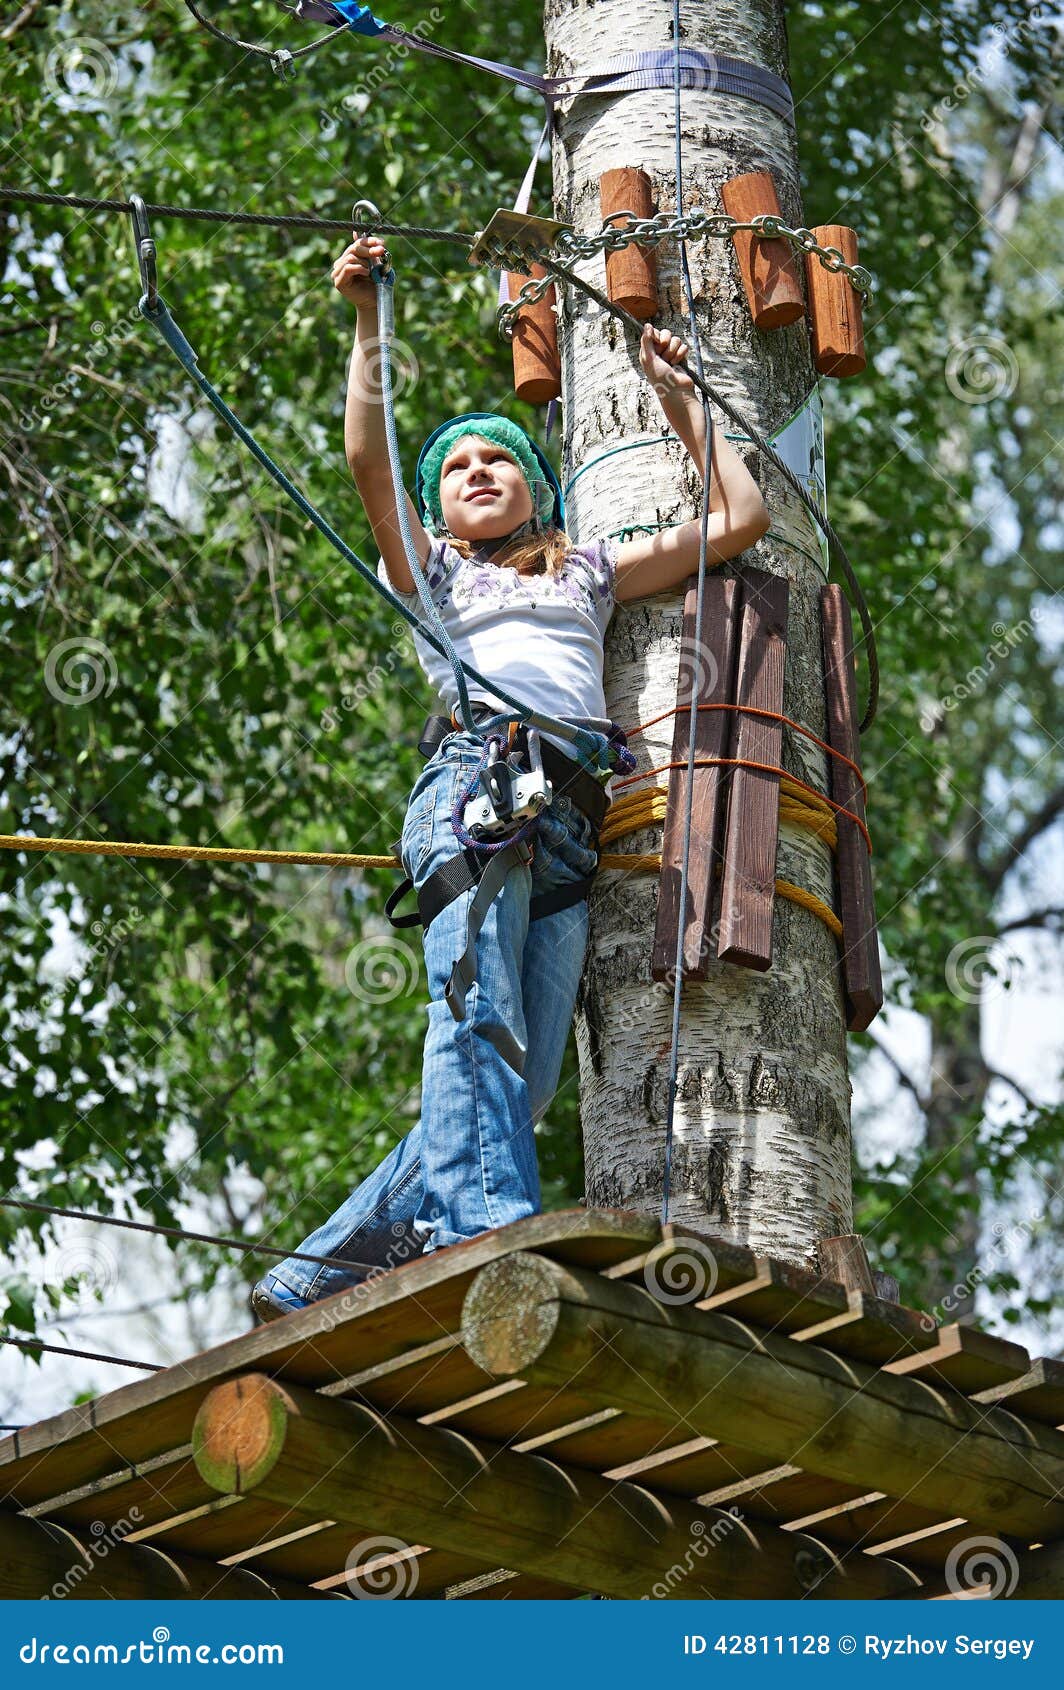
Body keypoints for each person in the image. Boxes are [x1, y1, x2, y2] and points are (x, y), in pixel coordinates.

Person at [249, 235, 770, 1321]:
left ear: (534, 491)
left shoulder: (585, 568)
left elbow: (738, 521)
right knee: (473, 1016)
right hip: (476, 795)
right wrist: (365, 317)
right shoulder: (437, 576)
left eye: (496, 460)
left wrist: (677, 397)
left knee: (522, 1083)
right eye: (457, 469)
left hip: (569, 826)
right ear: (441, 514)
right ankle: (485, 1237)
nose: (477, 471)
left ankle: (323, 1268)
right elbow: (370, 466)